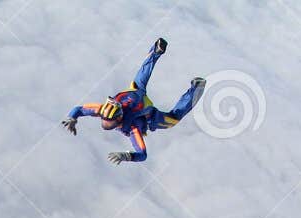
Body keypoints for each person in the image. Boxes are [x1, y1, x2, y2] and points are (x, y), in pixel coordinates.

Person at [61, 38, 205, 164]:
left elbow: (142, 154)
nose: (105, 122)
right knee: (141, 77)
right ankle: (156, 50)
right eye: (105, 118)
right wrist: (72, 118)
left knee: (174, 119)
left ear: (119, 119)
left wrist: (126, 156)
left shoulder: (132, 127)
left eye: (108, 121)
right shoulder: (104, 109)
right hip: (134, 93)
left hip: (149, 115)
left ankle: (197, 88)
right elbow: (79, 109)